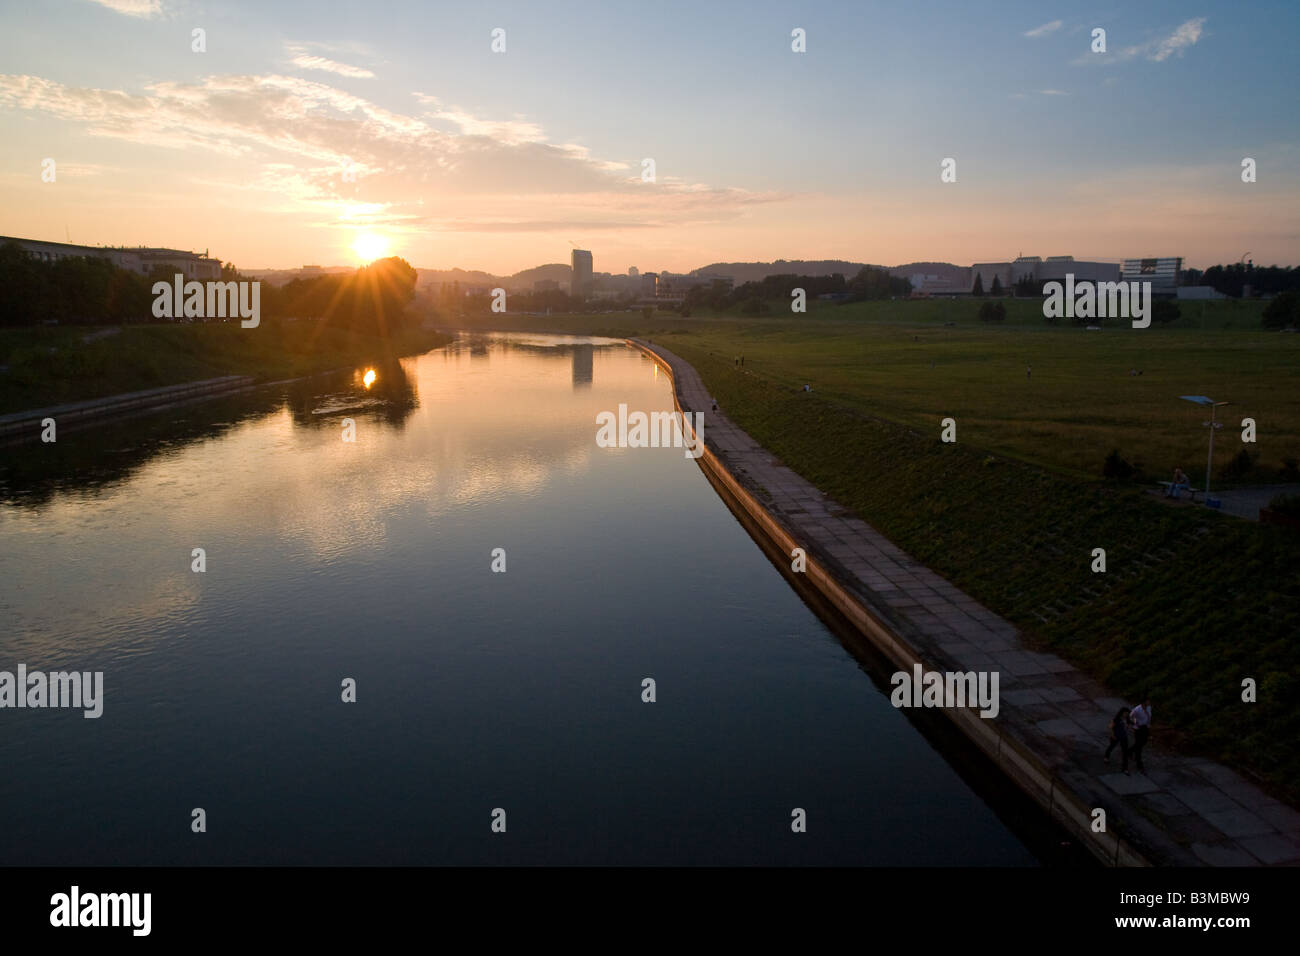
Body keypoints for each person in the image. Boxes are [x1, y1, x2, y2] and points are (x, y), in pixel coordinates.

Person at [1104, 706, 1132, 774]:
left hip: (1124, 737)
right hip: (1115, 736)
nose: (1126, 715)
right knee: (1112, 746)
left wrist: (1127, 728)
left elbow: (1128, 726)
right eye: (1125, 713)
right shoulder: (1117, 719)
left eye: (1127, 714)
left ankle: (1125, 768)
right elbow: (1110, 727)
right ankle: (1106, 756)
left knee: (1125, 752)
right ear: (1121, 713)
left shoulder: (1127, 720)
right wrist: (1112, 735)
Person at [1130, 696, 1152, 772]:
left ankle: (1130, 751)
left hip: (1146, 728)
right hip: (1138, 728)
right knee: (1139, 746)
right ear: (1143, 702)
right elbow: (1131, 716)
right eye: (1148, 701)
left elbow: (1149, 717)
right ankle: (1139, 763)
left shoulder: (1149, 707)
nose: (1149, 702)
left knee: (1143, 742)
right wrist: (1136, 723)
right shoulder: (1137, 710)